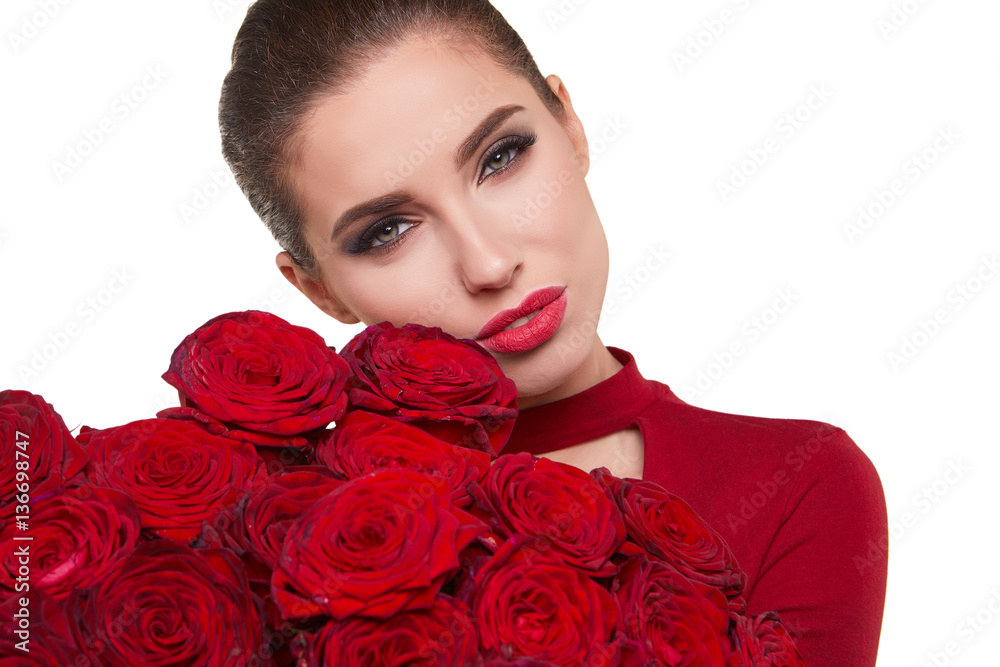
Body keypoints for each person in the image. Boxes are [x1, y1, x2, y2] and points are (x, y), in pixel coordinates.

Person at [218, 1, 888, 664]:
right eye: (388, 231)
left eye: (501, 156)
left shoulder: (800, 485)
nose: (487, 262)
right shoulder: (251, 538)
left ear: (569, 125)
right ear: (318, 289)